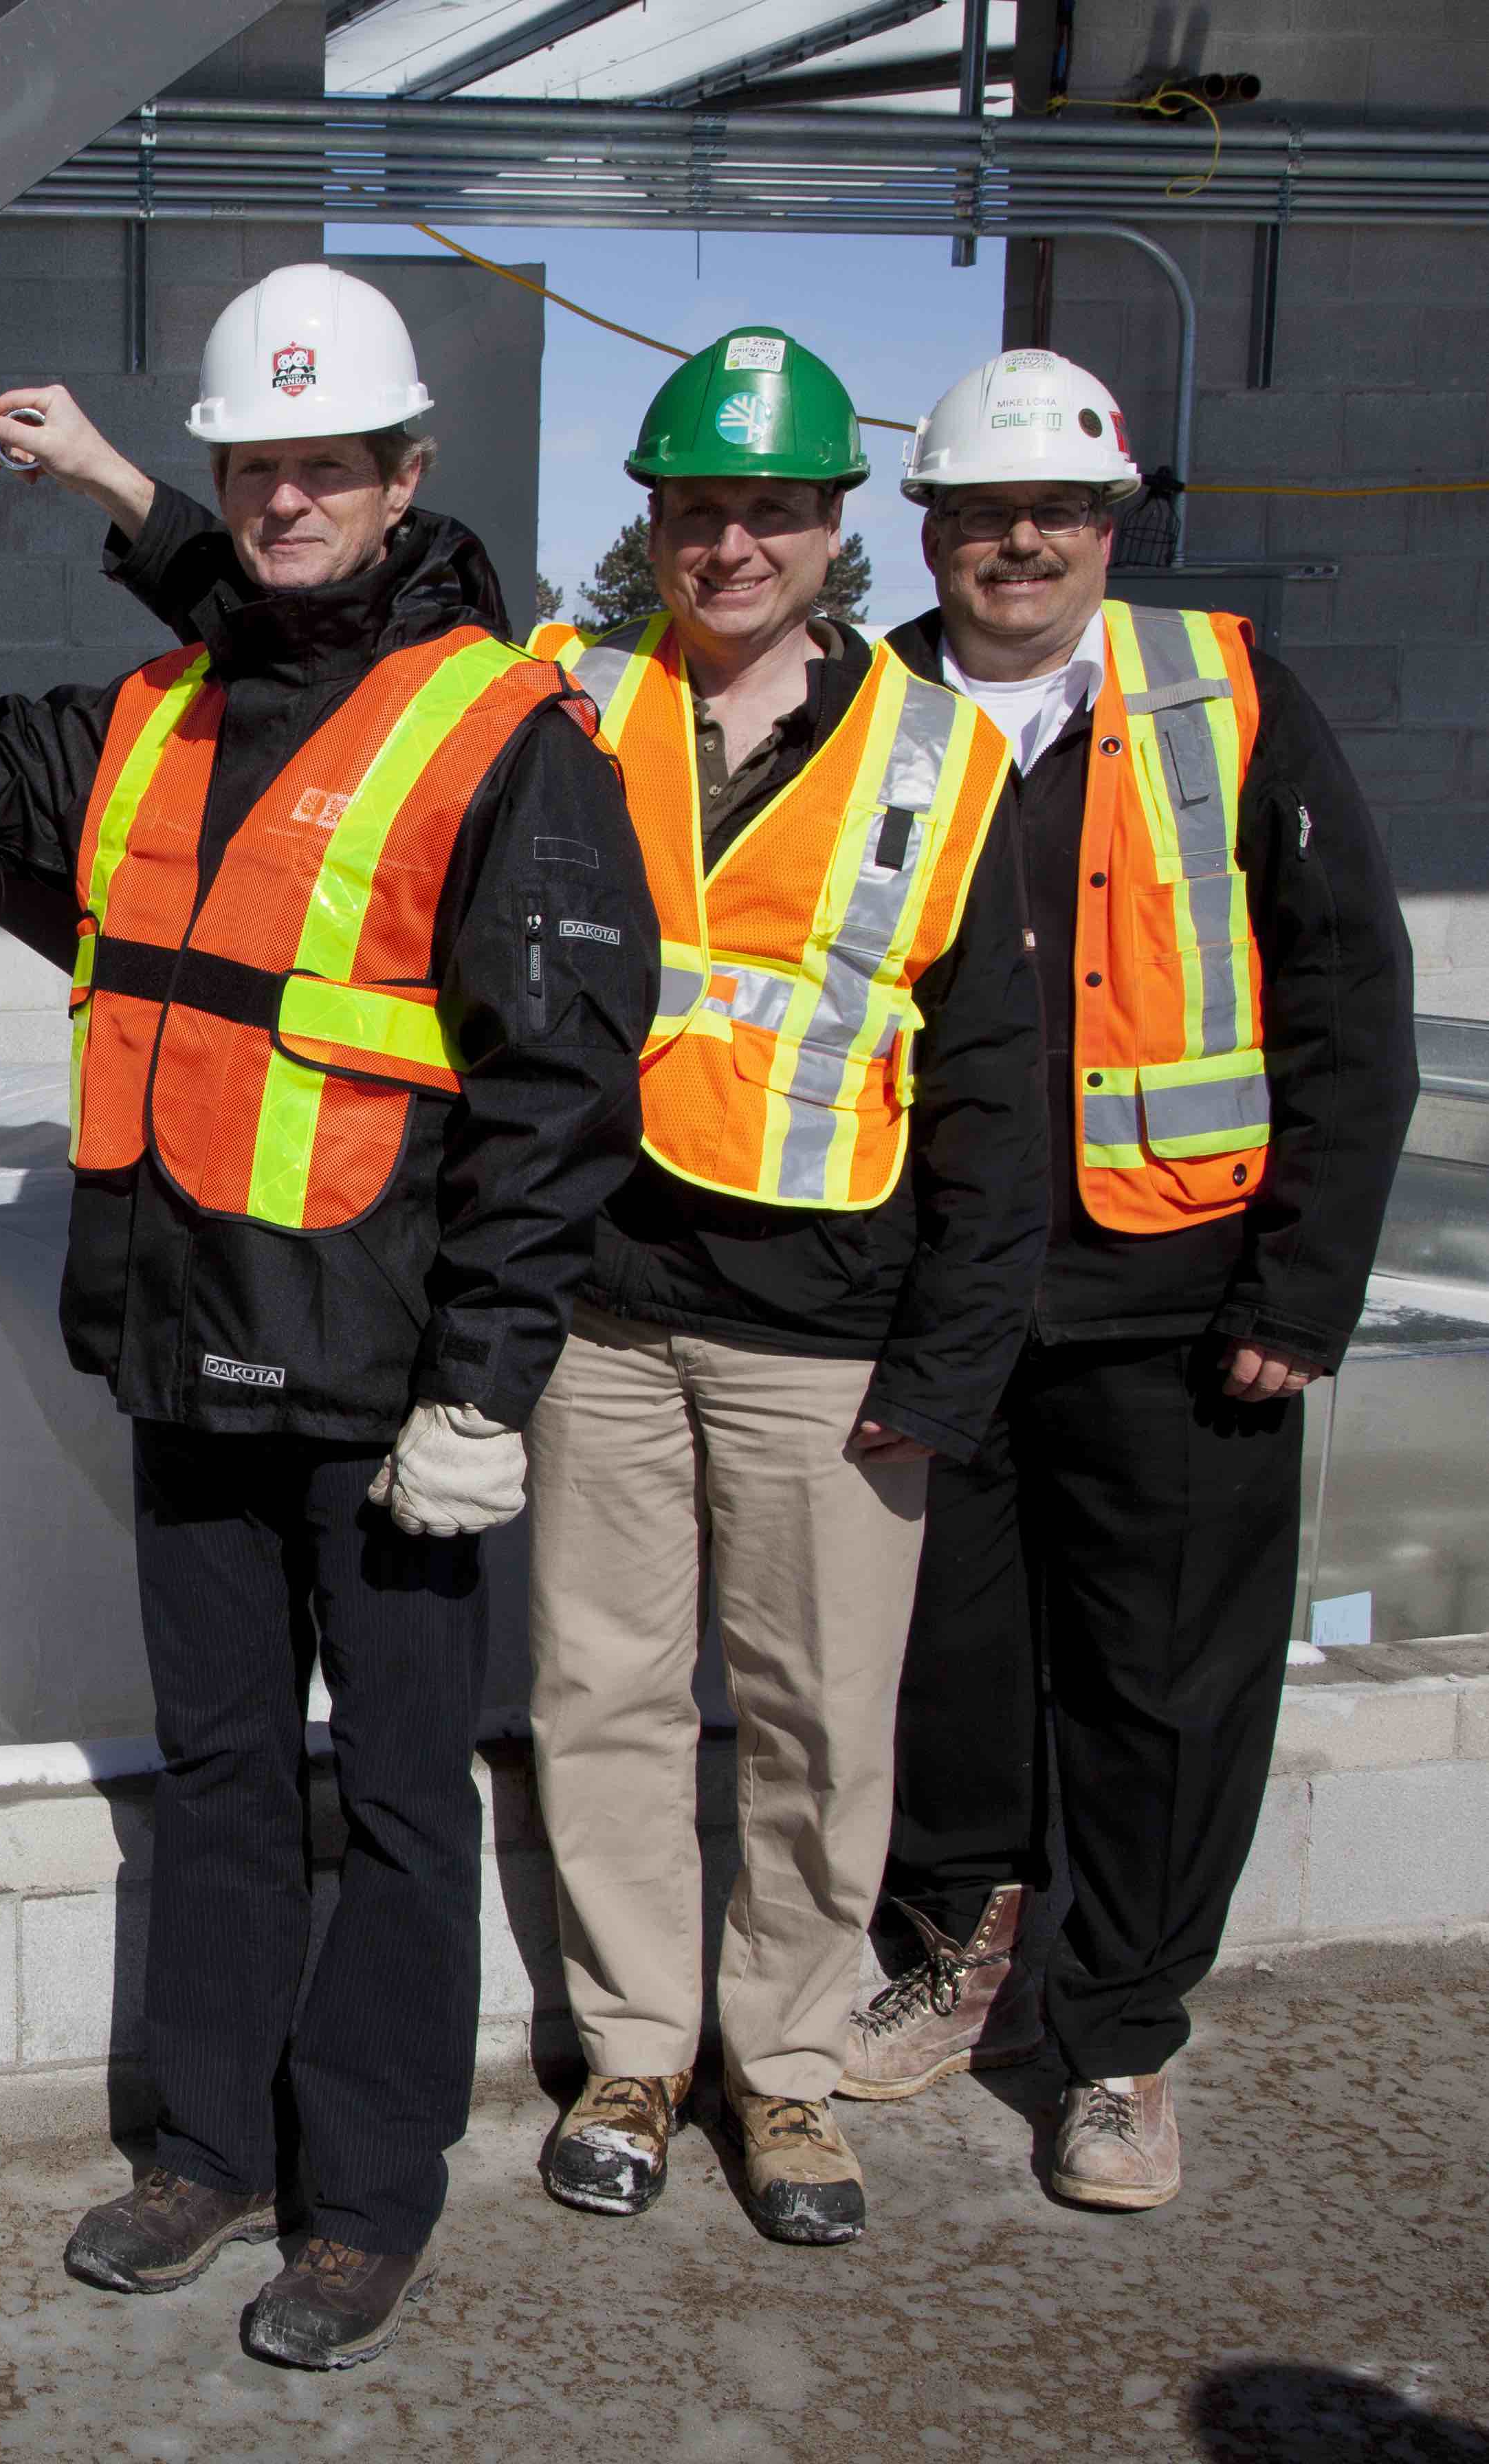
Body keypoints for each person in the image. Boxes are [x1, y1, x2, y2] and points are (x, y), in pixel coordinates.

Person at [0, 264, 655, 2370]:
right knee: (210, 1771)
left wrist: (488, 1388)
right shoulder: (162, 715)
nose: (287, 499)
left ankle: (364, 2198)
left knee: (391, 1796)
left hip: (390, 1399)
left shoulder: (504, 735)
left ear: (402, 476)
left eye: (325, 467)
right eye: (253, 469)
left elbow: (558, 1095)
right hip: (188, 1343)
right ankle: (208, 2147)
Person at [841, 349, 1417, 2209]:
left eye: (1060, 512)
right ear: (922, 525)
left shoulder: (1221, 691)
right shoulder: (861, 710)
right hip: (932, 1296)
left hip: (1177, 1303)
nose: (1022, 541)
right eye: (985, 511)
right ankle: (958, 1964)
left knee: (1168, 1694)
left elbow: (1345, 993)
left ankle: (1120, 2046)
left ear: (1110, 524)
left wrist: (1297, 1293)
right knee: (947, 1671)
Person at [511, 330, 1046, 2246]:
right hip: (596, 1305)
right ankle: (639, 2049)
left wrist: (955, 1352)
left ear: (837, 536)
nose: (727, 544)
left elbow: (998, 1075)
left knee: (822, 1719)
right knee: (602, 1693)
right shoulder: (563, 706)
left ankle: (791, 2075)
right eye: (693, 509)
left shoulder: (942, 756)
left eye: (768, 512)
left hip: (830, 1324)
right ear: (647, 523)